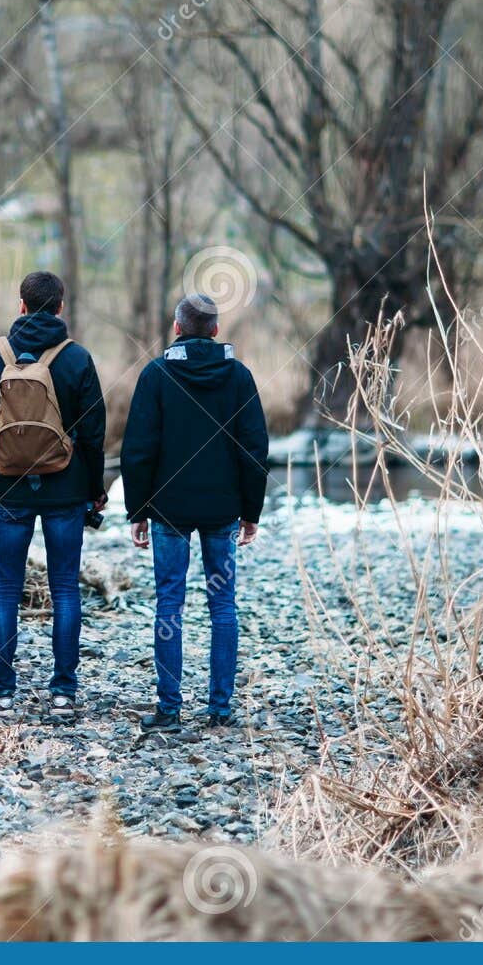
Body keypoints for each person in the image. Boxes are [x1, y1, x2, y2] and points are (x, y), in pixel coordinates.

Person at [121, 292, 268, 731]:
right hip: (222, 510)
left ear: (177, 328)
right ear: (217, 331)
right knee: (223, 604)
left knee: (170, 604)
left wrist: (138, 508)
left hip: (169, 510)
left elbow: (138, 449)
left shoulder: (157, 374)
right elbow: (255, 449)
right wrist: (251, 510)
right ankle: (219, 709)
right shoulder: (239, 377)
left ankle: (169, 709)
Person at [0, 271, 107, 716]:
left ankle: (1, 692)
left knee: (5, 590)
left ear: (22, 305)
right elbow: (94, 433)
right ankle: (63, 691)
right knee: (65, 588)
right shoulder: (77, 358)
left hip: (8, 486)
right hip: (65, 489)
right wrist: (95, 490)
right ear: (60, 307)